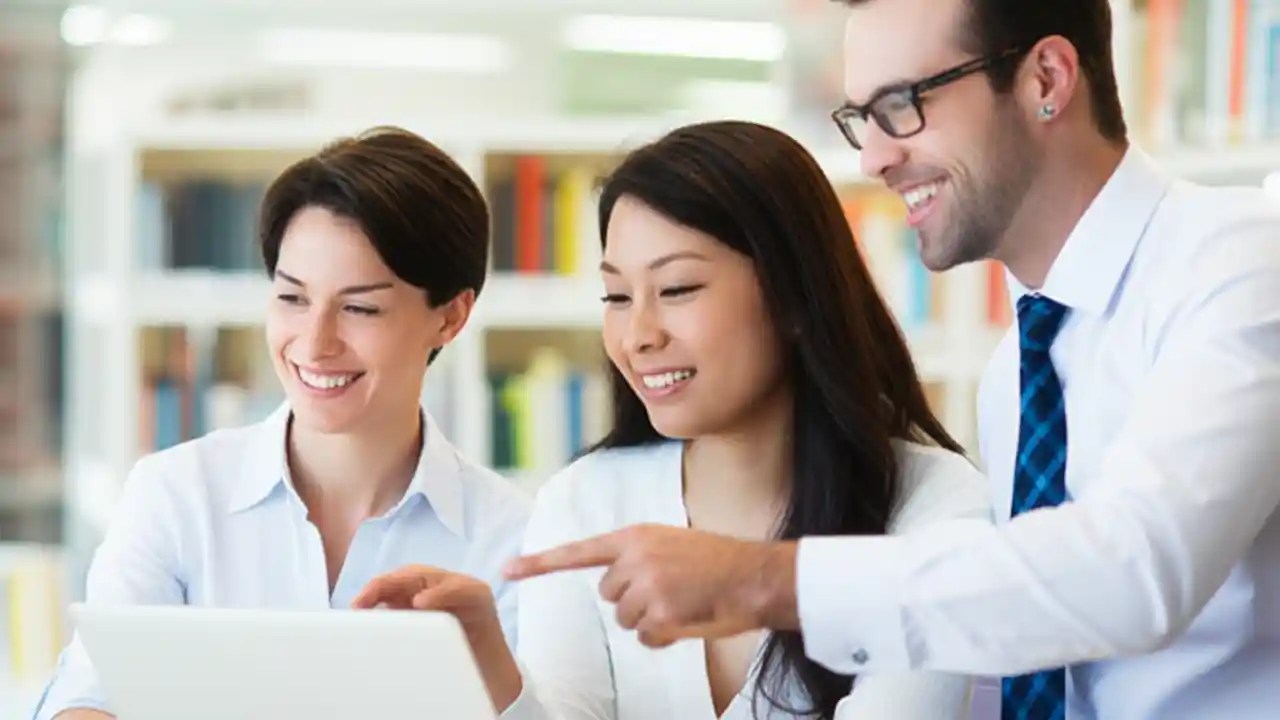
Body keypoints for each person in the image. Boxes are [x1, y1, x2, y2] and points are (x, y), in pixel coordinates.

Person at [505, 1, 1280, 719]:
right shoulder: (1018, 368)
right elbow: (1033, 623)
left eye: (903, 106)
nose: (874, 157)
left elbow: (1138, 572)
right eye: (860, 118)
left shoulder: (1241, 264)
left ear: (1046, 78)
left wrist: (763, 579)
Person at [354, 120, 992, 719]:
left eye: (679, 289)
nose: (638, 335)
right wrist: (489, 660)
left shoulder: (936, 506)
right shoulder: (584, 502)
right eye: (617, 296)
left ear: (798, 297)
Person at [33, 127, 531, 720]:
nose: (315, 344)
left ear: (450, 317)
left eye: (359, 308)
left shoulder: (512, 539)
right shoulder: (176, 493)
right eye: (292, 299)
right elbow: (89, 692)